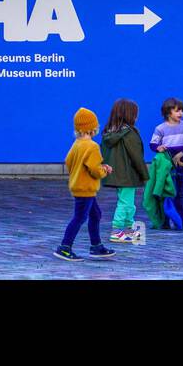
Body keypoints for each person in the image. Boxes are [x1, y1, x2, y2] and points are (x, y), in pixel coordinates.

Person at [54, 108, 116, 261]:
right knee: (79, 218)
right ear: (93, 128)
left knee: (96, 214)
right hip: (86, 189)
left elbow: (68, 161)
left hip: (79, 187)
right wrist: (104, 170)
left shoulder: (77, 144)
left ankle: (96, 246)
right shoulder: (92, 146)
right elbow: (95, 170)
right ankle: (65, 247)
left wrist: (78, 173)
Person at [100, 98, 149, 243]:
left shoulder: (109, 133)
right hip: (128, 175)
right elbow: (137, 156)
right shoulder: (129, 133)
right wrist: (144, 174)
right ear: (129, 115)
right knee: (126, 203)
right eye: (135, 114)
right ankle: (116, 231)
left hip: (115, 174)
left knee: (127, 202)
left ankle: (129, 229)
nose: (137, 117)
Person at [149, 97, 183, 228]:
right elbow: (153, 143)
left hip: (182, 163)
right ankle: (165, 220)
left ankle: (181, 218)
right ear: (168, 112)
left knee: (181, 193)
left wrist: (181, 154)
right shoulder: (160, 128)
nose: (180, 113)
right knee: (168, 190)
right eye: (177, 110)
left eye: (182, 110)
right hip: (167, 164)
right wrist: (158, 148)